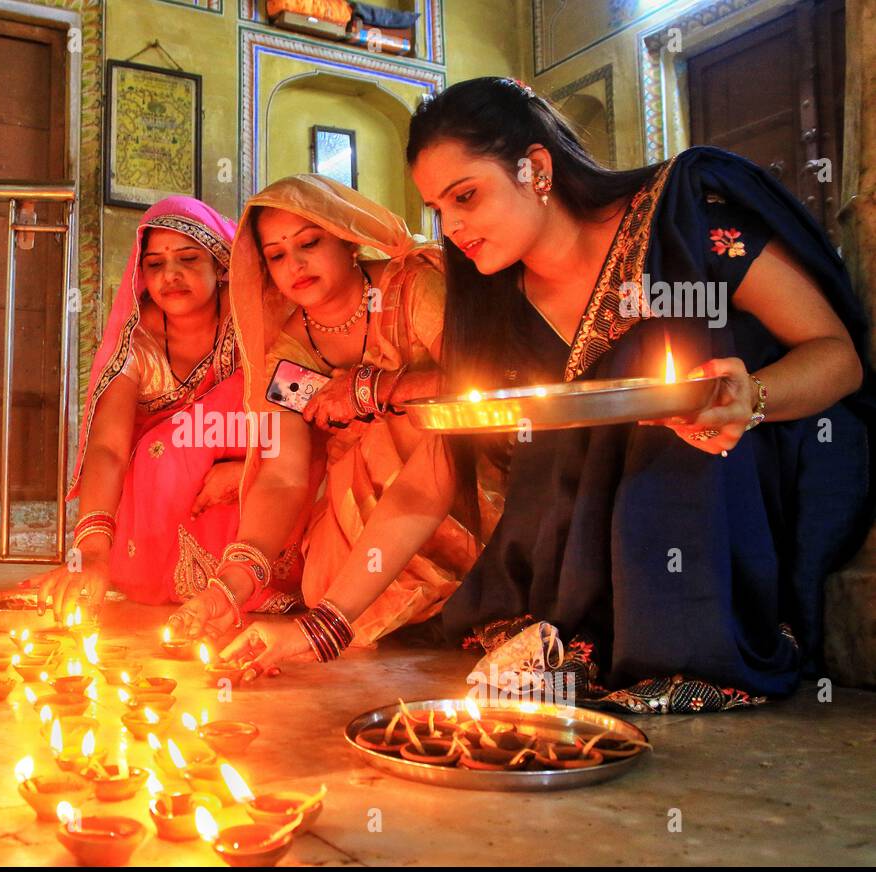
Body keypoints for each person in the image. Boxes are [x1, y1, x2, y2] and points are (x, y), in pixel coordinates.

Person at [223, 77, 874, 713]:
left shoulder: (681, 222)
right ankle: (585, 636)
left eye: (467, 196)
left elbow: (836, 358)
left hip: (748, 448)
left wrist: (749, 397)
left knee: (669, 398)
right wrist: (325, 626)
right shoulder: (496, 301)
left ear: (535, 168)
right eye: (439, 211)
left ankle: (689, 649)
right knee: (539, 441)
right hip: (601, 489)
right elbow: (433, 474)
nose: (452, 229)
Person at [170, 174, 501, 646]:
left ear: (348, 239)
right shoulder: (286, 355)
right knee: (320, 584)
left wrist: (373, 389)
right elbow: (283, 476)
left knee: (416, 420)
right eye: (277, 255)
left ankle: (469, 584)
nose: (295, 264)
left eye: (309, 242)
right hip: (372, 490)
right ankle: (405, 603)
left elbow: (486, 382)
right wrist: (230, 585)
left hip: (462, 461)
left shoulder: (410, 287)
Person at [26, 196, 298, 619]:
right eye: (155, 264)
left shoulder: (259, 316)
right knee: (160, 452)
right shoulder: (136, 343)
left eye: (188, 259)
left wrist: (246, 467)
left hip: (272, 465)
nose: (171, 275)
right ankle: (195, 582)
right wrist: (92, 549)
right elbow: (109, 448)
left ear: (220, 264)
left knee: (253, 401)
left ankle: (256, 578)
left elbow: (303, 398)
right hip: (171, 500)